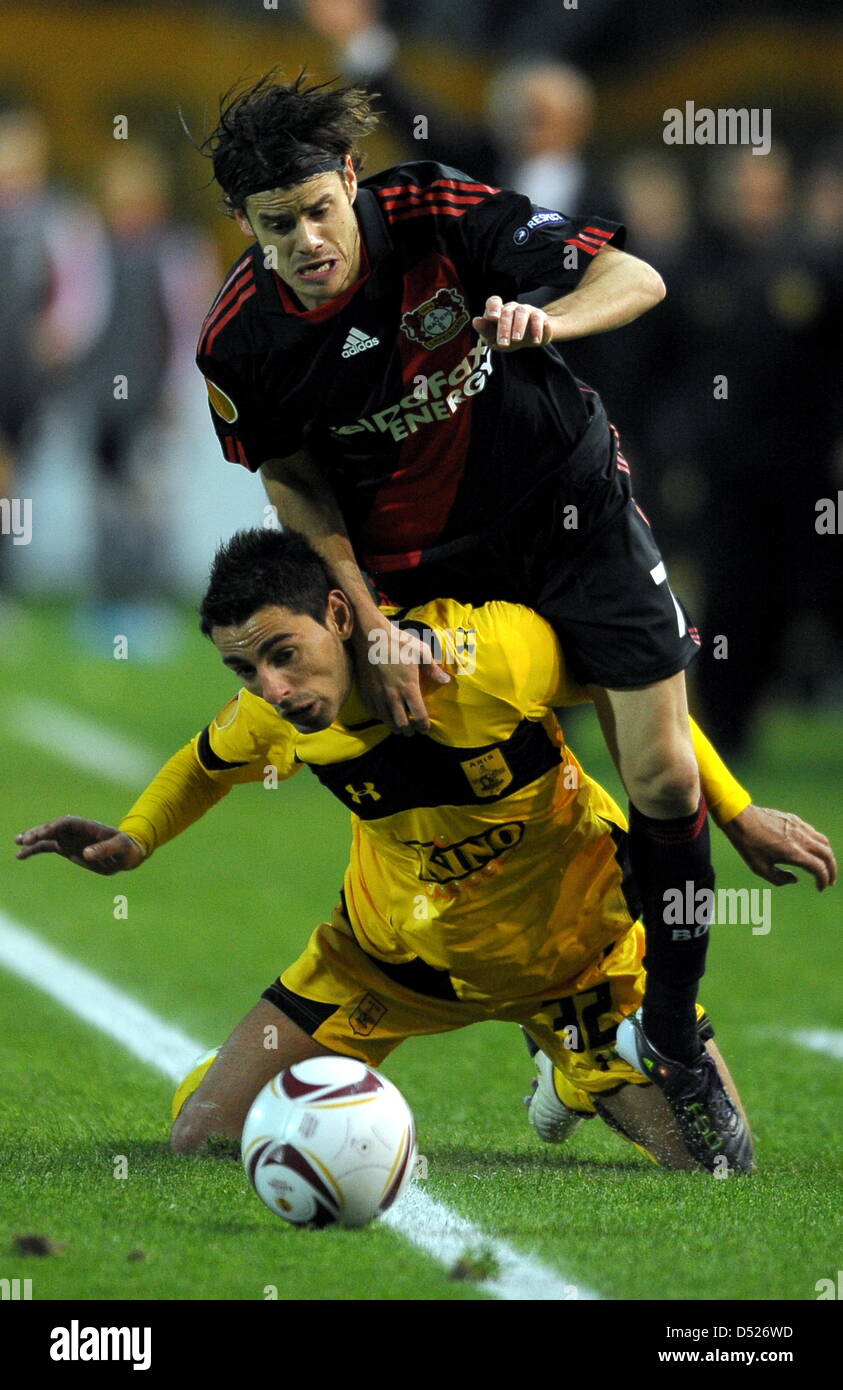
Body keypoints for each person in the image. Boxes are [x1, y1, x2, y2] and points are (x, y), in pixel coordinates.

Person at [191, 71, 726, 1100]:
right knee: (439, 757)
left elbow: (638, 278)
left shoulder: (433, 207)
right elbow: (292, 476)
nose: (307, 240)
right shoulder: (237, 342)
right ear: (245, 228)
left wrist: (554, 322)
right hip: (422, 557)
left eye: (318, 209)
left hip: (569, 510)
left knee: (663, 778)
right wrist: (370, 614)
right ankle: (536, 1005)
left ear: (352, 178)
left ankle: (664, 1033)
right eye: (276, 226)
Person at [16, 530, 836, 1173]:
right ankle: (289, 1066)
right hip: (386, 962)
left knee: (720, 1164)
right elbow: (205, 764)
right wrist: (136, 839)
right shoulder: (276, 713)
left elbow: (640, 686)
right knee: (200, 1136)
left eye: (281, 654)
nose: (269, 687)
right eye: (244, 668)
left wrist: (732, 812)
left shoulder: (481, 658)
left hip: (576, 960)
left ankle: (570, 1069)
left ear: (341, 617)